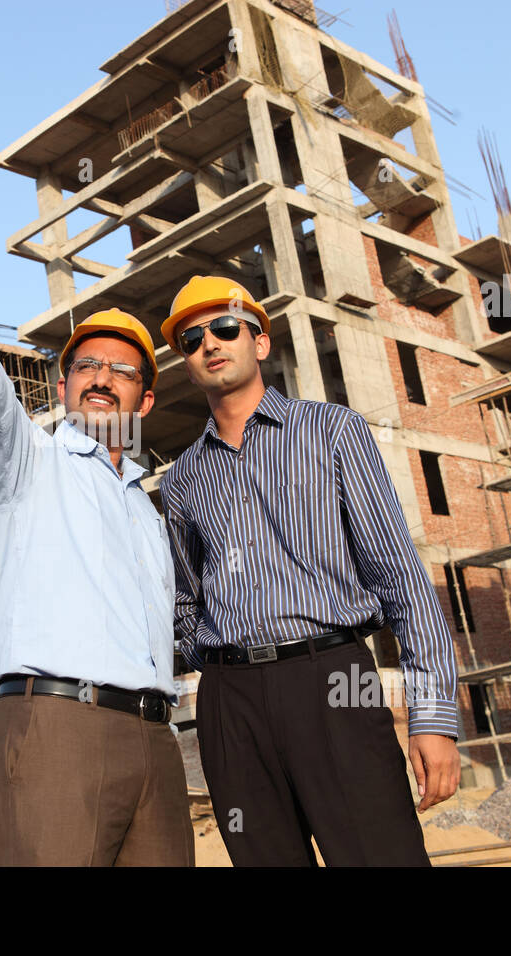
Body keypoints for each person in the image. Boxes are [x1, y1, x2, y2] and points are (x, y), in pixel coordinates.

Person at [0, 208, 193, 866]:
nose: (102, 377)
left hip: (158, 742)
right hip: (58, 731)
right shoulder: (26, 461)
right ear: (64, 385)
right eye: (86, 366)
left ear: (144, 404)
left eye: (122, 370)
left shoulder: (147, 510)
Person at [158, 275, 461, 866]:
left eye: (225, 327)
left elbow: (401, 577)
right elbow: (185, 600)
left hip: (332, 679)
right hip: (231, 703)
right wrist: (222, 669)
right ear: (187, 364)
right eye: (192, 339)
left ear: (260, 342)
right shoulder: (182, 479)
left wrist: (433, 715)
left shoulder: (332, 431)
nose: (210, 344)